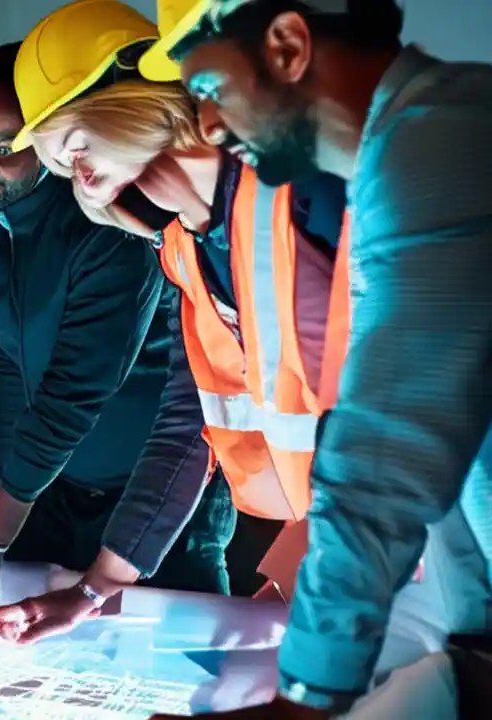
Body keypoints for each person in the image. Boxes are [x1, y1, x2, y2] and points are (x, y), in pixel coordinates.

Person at [140, 1, 492, 717]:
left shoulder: (440, 138)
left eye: (208, 91)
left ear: (288, 44)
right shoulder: (403, 154)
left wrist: (307, 696)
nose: (206, 126)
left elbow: (387, 450)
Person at [0, 0, 349, 645]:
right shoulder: (185, 250)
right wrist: (93, 591)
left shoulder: (302, 204)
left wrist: (322, 588)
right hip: (353, 554)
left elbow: (387, 433)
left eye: (76, 145)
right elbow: (188, 430)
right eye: (61, 164)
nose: (80, 177)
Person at [0, 42, 236, 600]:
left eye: (4, 144)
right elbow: (11, 369)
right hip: (60, 494)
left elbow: (79, 391)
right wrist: (1, 508)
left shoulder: (113, 227)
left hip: (160, 496)